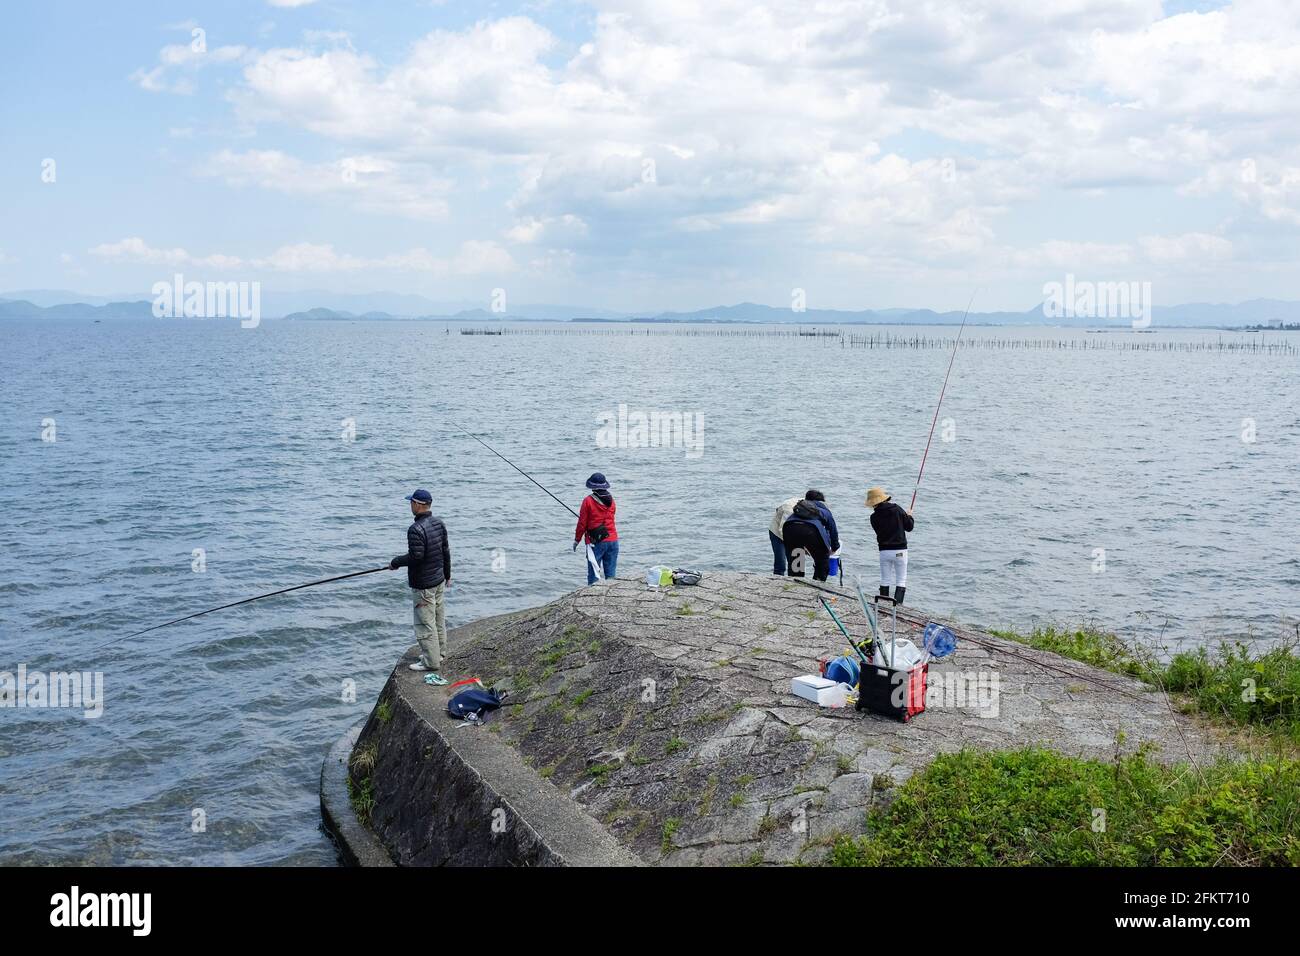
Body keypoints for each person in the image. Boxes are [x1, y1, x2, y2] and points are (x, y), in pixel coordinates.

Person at [389, 489, 452, 683]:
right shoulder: (438, 523)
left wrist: (396, 562)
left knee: (425, 623)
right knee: (438, 618)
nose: (410, 506)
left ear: (418, 504)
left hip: (424, 585)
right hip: (439, 580)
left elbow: (416, 557)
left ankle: (431, 662)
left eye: (411, 503)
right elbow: (445, 551)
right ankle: (439, 653)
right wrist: (448, 575)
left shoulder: (415, 529)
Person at [866, 486, 913, 605]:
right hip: (900, 551)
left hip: (884, 552)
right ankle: (898, 607)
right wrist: (909, 516)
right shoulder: (896, 509)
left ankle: (883, 606)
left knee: (885, 579)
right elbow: (909, 527)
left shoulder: (873, 517)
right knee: (901, 580)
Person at [782, 489, 840, 582]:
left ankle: (796, 581)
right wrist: (834, 548)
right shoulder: (824, 510)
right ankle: (818, 582)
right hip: (811, 530)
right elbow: (833, 530)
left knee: (797, 556)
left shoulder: (799, 508)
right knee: (822, 559)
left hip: (790, 528)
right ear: (821, 501)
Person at [574, 472, 618, 584]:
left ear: (592, 487)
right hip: (613, 540)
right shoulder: (612, 500)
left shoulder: (588, 501)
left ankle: (592, 598)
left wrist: (577, 540)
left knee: (594, 575)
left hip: (596, 541)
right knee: (611, 575)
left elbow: (582, 524)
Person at [768, 496, 801, 575]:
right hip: (777, 533)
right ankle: (778, 581)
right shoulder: (789, 509)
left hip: (795, 534)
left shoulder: (812, 509)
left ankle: (795, 581)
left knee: (797, 565)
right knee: (781, 563)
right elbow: (782, 529)